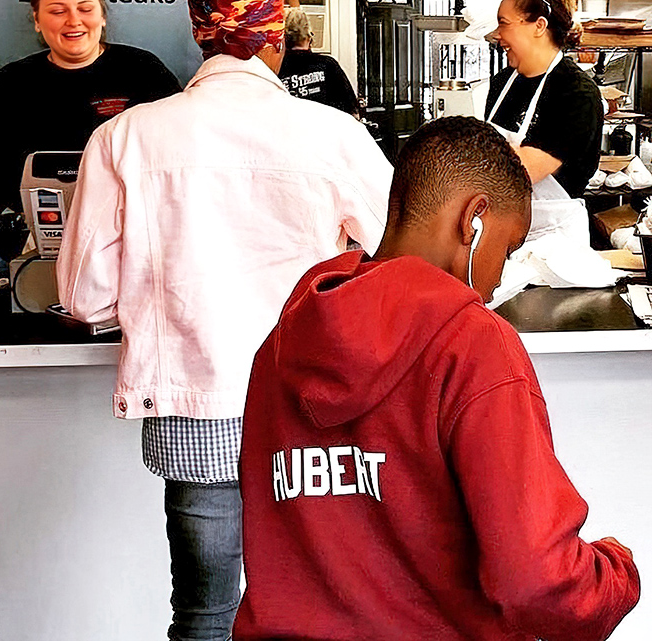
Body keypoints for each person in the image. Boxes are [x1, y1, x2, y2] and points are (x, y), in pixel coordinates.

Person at [56, 0, 393, 641]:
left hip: (195, 411)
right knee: (323, 611)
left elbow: (86, 296)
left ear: (199, 33)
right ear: (275, 34)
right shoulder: (335, 135)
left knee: (205, 617)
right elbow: (402, 259)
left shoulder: (123, 138)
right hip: (313, 415)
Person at [233, 116, 639, 641]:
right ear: (473, 221)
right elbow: (536, 580)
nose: (494, 282)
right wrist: (617, 575)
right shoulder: (472, 345)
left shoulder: (282, 345)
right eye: (508, 250)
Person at [0, 0, 180, 211]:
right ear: (37, 20)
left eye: (85, 9)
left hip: (128, 230)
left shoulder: (143, 70)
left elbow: (180, 160)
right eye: (58, 11)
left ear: (102, 15)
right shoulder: (11, 83)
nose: (73, 21)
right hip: (33, 240)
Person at [485, 0, 603, 243]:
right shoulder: (503, 83)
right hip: (502, 233)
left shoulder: (576, 93)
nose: (497, 35)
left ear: (539, 25)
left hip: (554, 243)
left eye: (504, 24)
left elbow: (520, 171)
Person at [279, 8, 360, 116]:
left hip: (288, 131)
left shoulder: (276, 69)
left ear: (283, 39)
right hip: (326, 130)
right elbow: (352, 111)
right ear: (309, 37)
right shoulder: (328, 65)